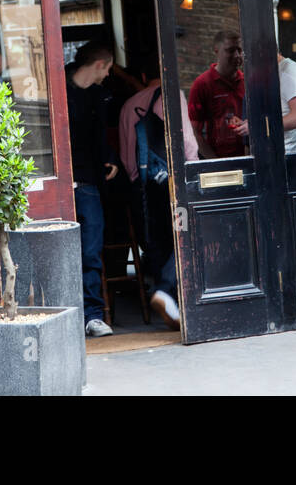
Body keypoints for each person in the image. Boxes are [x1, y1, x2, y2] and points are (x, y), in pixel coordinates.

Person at [118, 60, 197, 329]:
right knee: (186, 235)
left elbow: (128, 158)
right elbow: (186, 141)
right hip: (173, 183)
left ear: (143, 74)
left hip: (145, 186)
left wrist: (138, 183)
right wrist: (192, 173)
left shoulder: (129, 105)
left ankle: (171, 305)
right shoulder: (172, 95)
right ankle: (166, 290)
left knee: (161, 241)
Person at [66, 42, 119, 338]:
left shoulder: (100, 95)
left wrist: (109, 158)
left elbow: (100, 137)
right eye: (109, 68)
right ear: (99, 64)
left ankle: (93, 316)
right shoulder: (57, 86)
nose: (109, 75)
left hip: (89, 182)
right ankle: (63, 315)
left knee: (90, 252)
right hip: (61, 182)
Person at [188, 30, 247, 159]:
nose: (237, 55)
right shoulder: (202, 84)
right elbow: (194, 132)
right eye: (230, 50)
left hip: (249, 159)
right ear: (216, 51)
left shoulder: (248, 82)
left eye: (240, 50)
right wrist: (215, 163)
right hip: (217, 161)